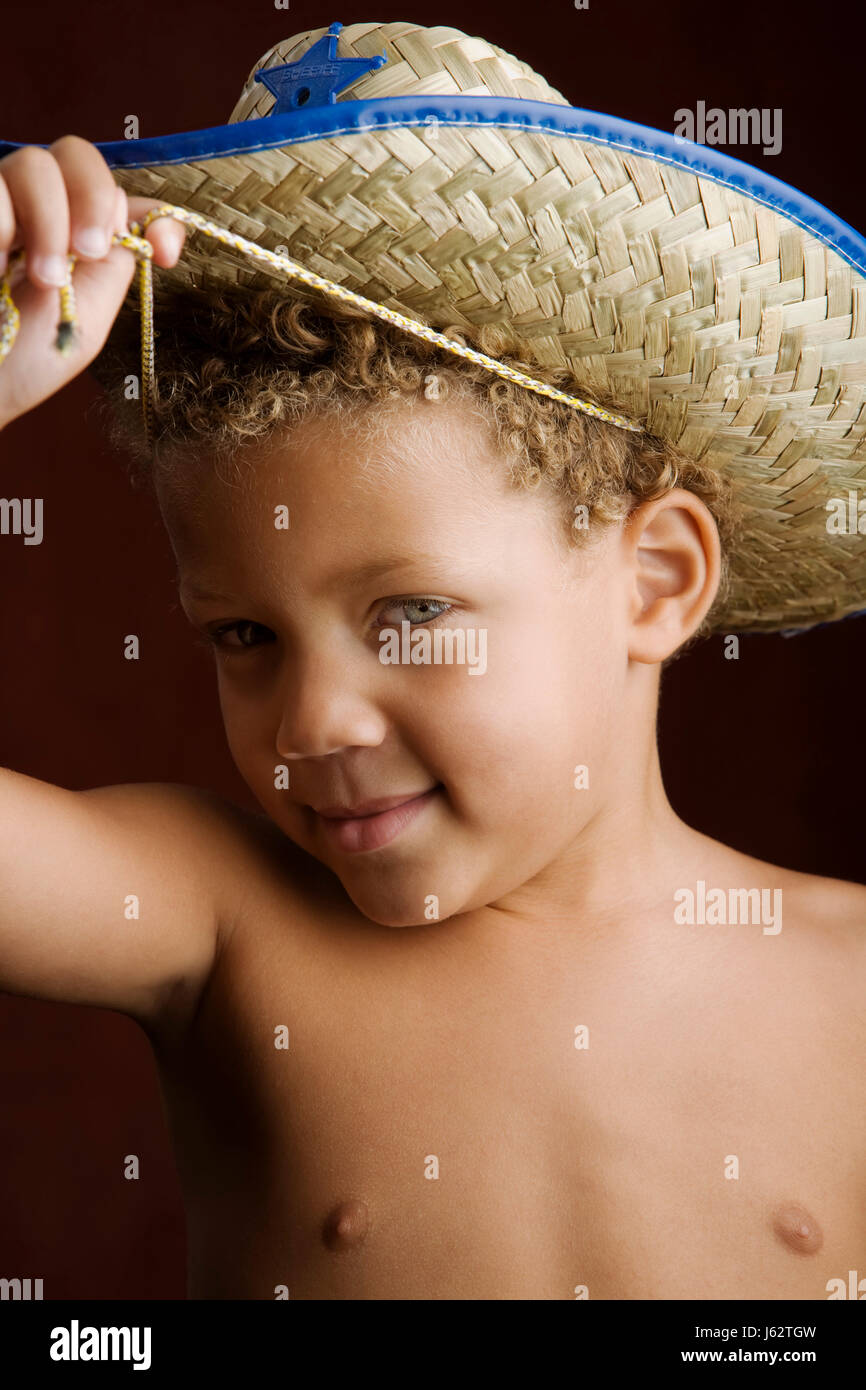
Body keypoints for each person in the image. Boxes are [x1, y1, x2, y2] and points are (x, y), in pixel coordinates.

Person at [1, 20, 864, 1300]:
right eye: (244, 635)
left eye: (409, 615)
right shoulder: (220, 929)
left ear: (656, 580)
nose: (312, 722)